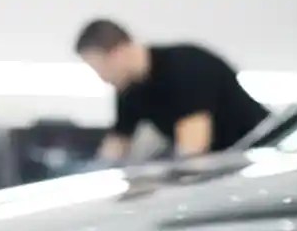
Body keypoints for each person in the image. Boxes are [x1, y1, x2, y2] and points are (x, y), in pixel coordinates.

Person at [75, 20, 269, 161]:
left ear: (118, 53)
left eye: (100, 68)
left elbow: (193, 150)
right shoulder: (129, 89)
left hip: (261, 152)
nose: (102, 77)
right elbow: (116, 145)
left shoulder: (185, 66)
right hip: (223, 163)